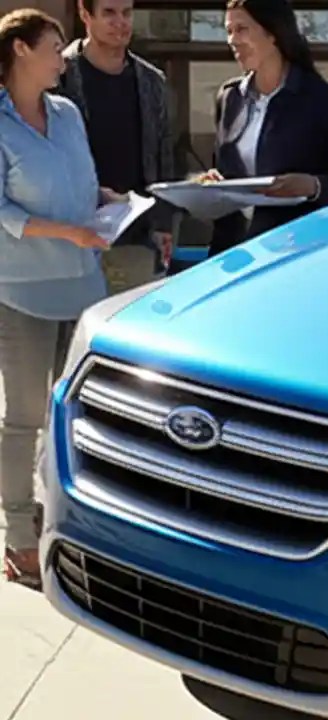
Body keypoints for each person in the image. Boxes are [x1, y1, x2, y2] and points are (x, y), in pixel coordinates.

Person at [0, 8, 114, 589]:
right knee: (23, 419)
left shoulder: (68, 114)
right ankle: (20, 536)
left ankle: (73, 527)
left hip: (83, 286)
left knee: (74, 418)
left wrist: (107, 198)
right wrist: (64, 231)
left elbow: (80, 181)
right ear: (21, 51)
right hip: (20, 291)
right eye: (53, 45)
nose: (62, 55)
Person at [201, 0, 328, 258]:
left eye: (241, 29)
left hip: (293, 253)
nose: (232, 40)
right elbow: (224, 173)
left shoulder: (321, 98)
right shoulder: (229, 97)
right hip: (230, 255)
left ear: (273, 33)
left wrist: (313, 185)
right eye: (228, 30)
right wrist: (212, 183)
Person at [57, 0, 175, 294]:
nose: (120, 22)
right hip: (71, 235)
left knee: (129, 329)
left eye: (126, 13)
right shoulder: (58, 74)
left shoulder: (151, 80)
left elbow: (163, 155)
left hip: (136, 235)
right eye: (109, 13)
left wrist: (163, 224)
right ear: (86, 15)